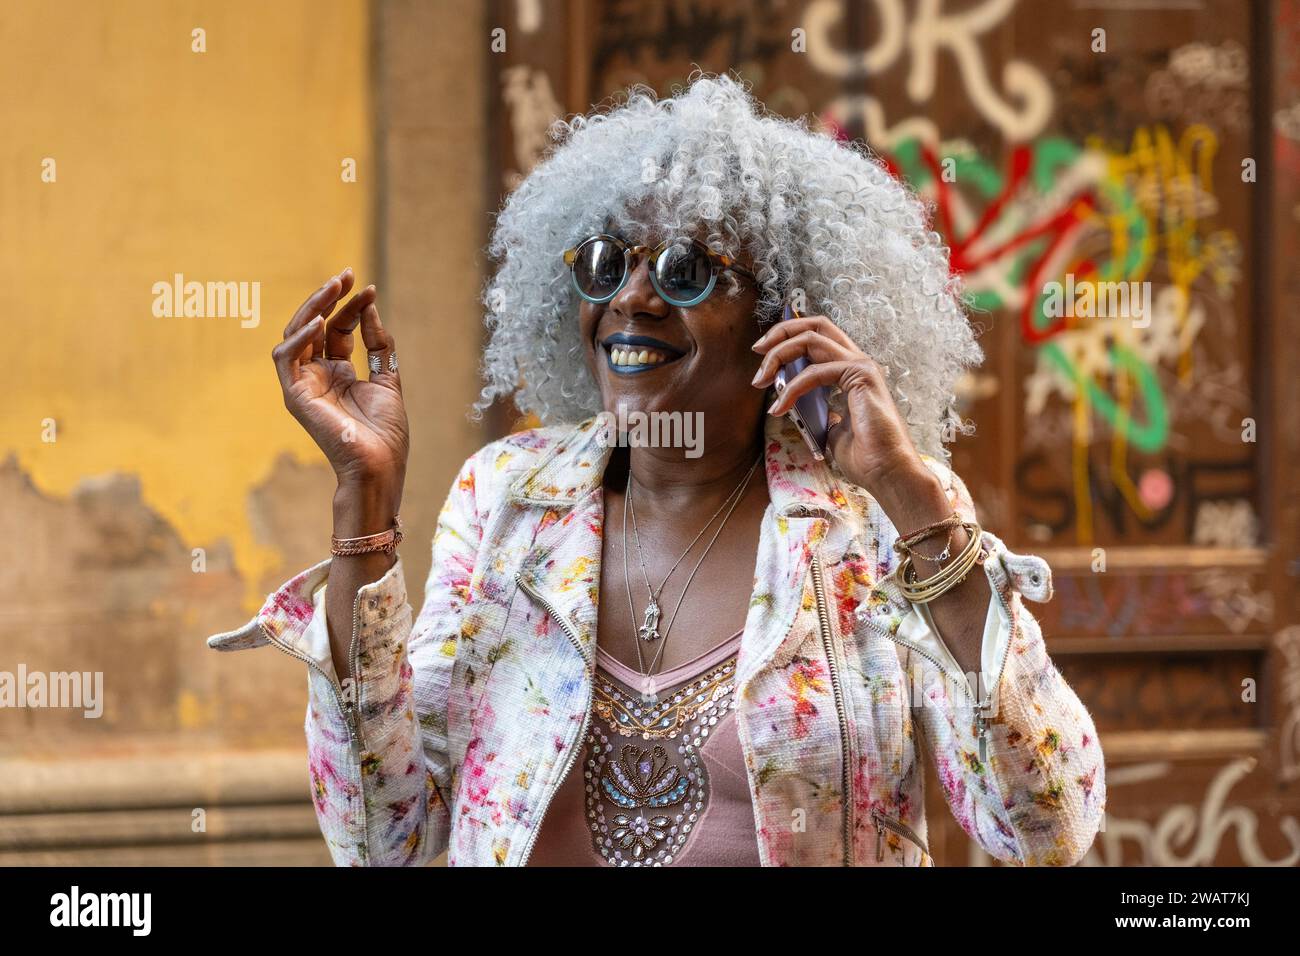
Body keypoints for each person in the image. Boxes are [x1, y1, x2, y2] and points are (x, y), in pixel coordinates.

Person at [209, 73, 1105, 867]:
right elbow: (383, 839)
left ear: (781, 315)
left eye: (685, 268)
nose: (631, 296)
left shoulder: (876, 528)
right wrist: (362, 505)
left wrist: (911, 495)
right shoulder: (506, 498)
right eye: (606, 264)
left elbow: (1043, 828)